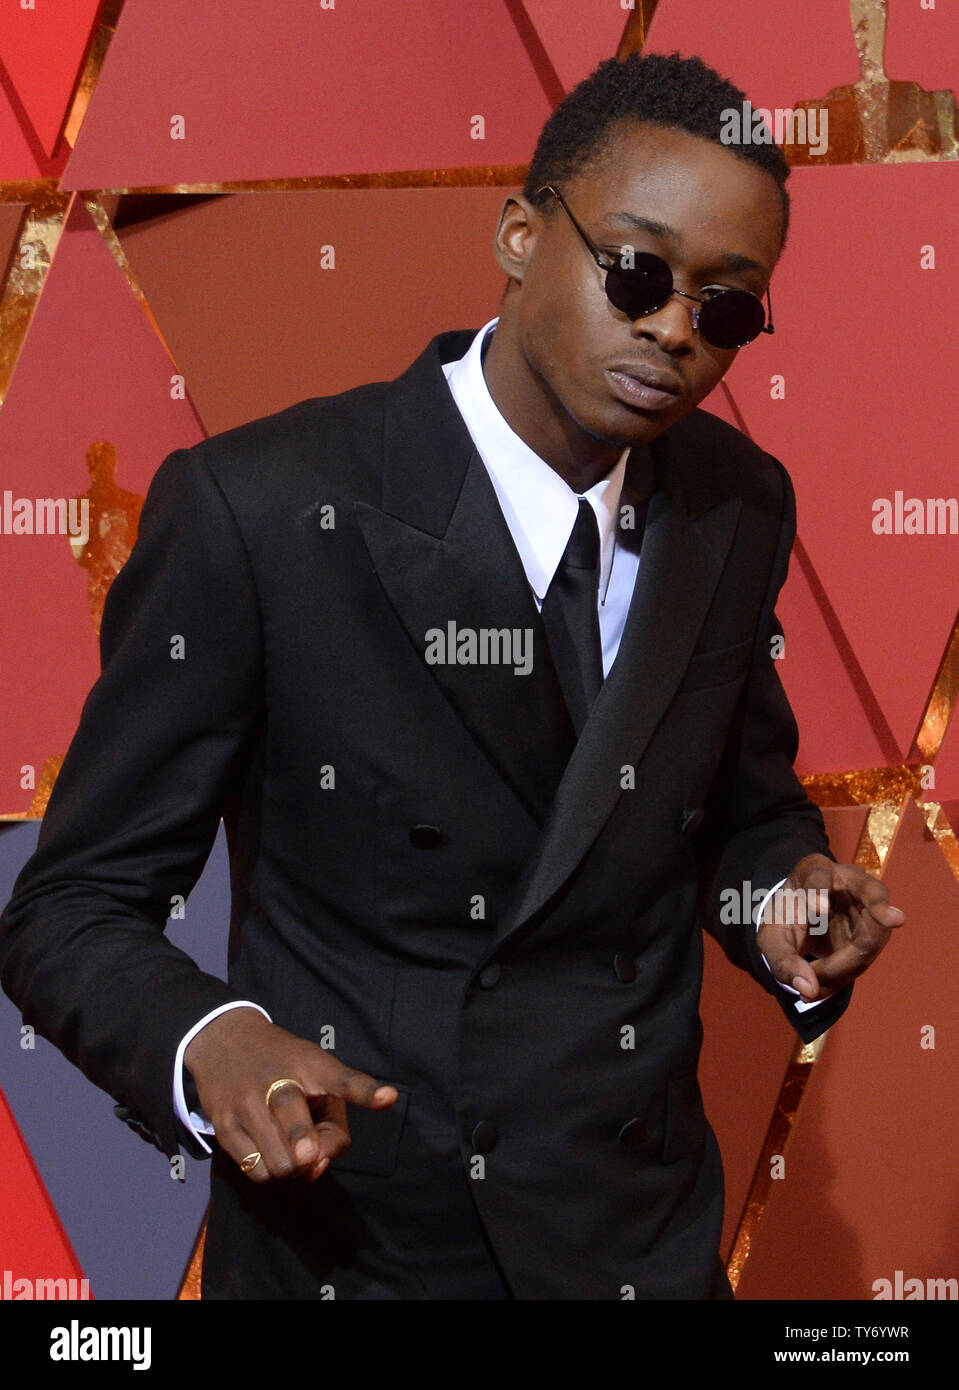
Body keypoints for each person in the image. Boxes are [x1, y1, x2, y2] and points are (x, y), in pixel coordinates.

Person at [0, 51, 903, 1300]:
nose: (672, 328)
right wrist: (211, 1040)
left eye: (727, 307)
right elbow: (72, 904)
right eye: (635, 272)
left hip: (634, 1239)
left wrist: (778, 901)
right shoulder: (260, 513)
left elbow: (732, 809)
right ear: (521, 233)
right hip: (364, 1246)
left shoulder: (736, 506)